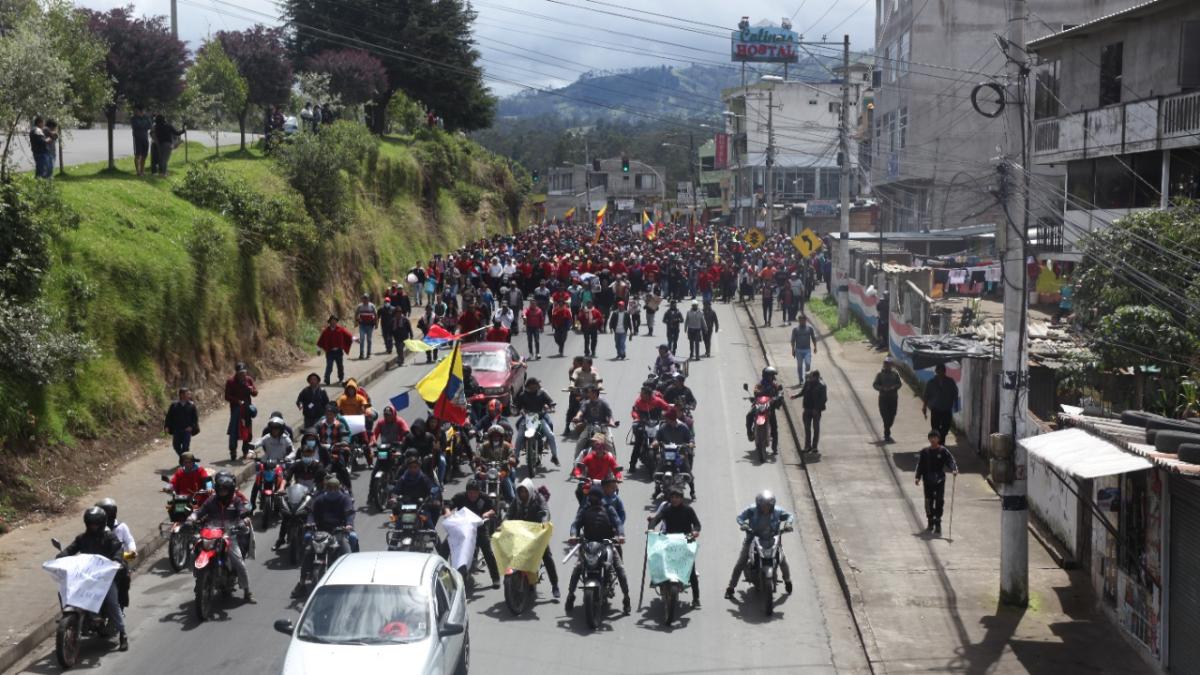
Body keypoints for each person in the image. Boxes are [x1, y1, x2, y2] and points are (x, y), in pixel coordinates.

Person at [57, 508, 128, 650]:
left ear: (101, 523)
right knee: (65, 590)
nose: (93, 527)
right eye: (90, 524)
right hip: (85, 576)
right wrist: (60, 557)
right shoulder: (82, 538)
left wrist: (116, 561)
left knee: (112, 602)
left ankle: (122, 634)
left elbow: (118, 550)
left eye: (95, 524)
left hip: (105, 578)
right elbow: (71, 549)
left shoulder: (109, 537)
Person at [188, 471, 253, 601]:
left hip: (229, 534)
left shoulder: (236, 500)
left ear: (230, 490)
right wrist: (192, 518)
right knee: (193, 552)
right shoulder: (211, 500)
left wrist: (244, 519)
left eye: (225, 489)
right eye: (220, 489)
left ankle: (247, 591)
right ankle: (199, 577)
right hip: (211, 533)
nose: (222, 491)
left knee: (239, 562)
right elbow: (201, 512)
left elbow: (242, 511)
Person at [566, 488, 629, 614]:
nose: (592, 499)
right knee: (578, 568)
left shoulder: (609, 509)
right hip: (588, 545)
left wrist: (621, 535)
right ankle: (570, 595)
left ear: (600, 499)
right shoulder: (584, 510)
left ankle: (626, 598)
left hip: (607, 544)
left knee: (620, 568)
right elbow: (575, 524)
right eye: (591, 497)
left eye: (595, 497)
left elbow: (618, 523)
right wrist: (573, 535)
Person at [725, 490, 793, 600]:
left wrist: (788, 524)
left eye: (768, 506)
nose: (766, 508)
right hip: (753, 539)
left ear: (772, 505)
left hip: (772, 540)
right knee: (741, 562)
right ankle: (731, 587)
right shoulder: (751, 510)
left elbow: (790, 515)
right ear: (758, 505)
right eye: (763, 506)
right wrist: (744, 524)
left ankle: (788, 581)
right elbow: (740, 517)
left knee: (783, 561)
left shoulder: (778, 511)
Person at [646, 486, 701, 607]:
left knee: (690, 570)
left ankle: (696, 598)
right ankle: (657, 579)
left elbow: (697, 525)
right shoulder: (666, 510)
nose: (675, 499)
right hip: (669, 540)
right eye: (673, 497)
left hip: (686, 541)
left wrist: (695, 532)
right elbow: (656, 519)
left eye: (677, 497)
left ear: (681, 499)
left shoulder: (689, 510)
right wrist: (650, 528)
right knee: (657, 556)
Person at [507, 478, 560, 599]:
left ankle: (555, 585)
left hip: (536, 532)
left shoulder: (538, 499)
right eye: (520, 492)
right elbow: (509, 514)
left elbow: (545, 511)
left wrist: (544, 523)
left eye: (525, 491)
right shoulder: (517, 501)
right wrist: (503, 524)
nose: (522, 494)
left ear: (530, 491)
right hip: (521, 532)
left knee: (546, 556)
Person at [443, 480, 500, 587]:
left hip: (479, 528)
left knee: (487, 550)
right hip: (461, 529)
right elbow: (447, 505)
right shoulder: (460, 497)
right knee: (445, 545)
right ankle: (441, 574)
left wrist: (487, 513)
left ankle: (495, 578)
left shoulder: (484, 498)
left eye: (475, 492)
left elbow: (494, 509)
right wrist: (448, 512)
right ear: (466, 492)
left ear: (479, 492)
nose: (472, 495)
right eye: (470, 492)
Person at [915, 431, 959, 534]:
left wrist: (954, 469)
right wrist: (917, 477)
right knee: (928, 501)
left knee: (939, 500)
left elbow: (950, 460)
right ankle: (930, 521)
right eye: (931, 438)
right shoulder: (925, 452)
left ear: (938, 439)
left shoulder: (943, 451)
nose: (933, 440)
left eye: (935, 438)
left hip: (939, 479)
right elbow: (920, 465)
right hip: (927, 479)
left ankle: (938, 521)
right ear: (929, 439)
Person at [96, 498, 136, 608]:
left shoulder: (121, 527)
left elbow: (130, 540)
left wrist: (131, 551)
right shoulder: (96, 529)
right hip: (100, 562)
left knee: (124, 579)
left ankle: (120, 607)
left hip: (119, 562)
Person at [512, 378, 560, 465]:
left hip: (539, 419)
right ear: (530, 385)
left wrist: (552, 407)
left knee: (550, 435)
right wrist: (516, 410)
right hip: (527, 419)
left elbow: (550, 402)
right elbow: (517, 407)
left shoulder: (542, 393)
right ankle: (515, 458)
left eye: (537, 384)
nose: (537, 385)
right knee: (519, 437)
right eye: (535, 384)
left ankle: (554, 456)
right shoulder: (522, 395)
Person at [654, 407, 696, 499]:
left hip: (679, 454)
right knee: (659, 468)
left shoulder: (683, 427)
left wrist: (691, 443)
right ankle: (657, 488)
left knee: (686, 469)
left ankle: (692, 490)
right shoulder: (664, 427)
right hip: (667, 452)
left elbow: (690, 438)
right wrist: (656, 442)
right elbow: (657, 437)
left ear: (671, 418)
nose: (665, 419)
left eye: (667, 418)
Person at [629, 384, 670, 472]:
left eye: (643, 394)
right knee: (638, 443)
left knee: (666, 440)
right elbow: (634, 411)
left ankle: (669, 463)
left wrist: (668, 415)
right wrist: (636, 417)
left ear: (648, 394)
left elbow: (667, 407)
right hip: (643, 424)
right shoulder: (638, 402)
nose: (641, 395)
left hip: (656, 423)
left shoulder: (657, 401)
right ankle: (632, 464)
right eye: (641, 394)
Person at [224, 362, 258, 461]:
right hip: (236, 411)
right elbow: (227, 396)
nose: (242, 375)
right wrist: (237, 401)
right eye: (240, 373)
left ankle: (245, 451)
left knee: (248, 431)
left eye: (244, 372)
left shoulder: (248, 380)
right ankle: (233, 451)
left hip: (247, 410)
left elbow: (255, 393)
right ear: (237, 373)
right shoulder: (231, 382)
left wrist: (251, 390)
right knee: (234, 431)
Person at [746, 367, 783, 453]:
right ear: (766, 376)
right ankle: (750, 433)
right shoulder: (760, 384)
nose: (773, 377)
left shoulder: (775, 385)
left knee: (774, 427)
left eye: (773, 376)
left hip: (769, 407)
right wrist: (756, 395)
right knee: (749, 415)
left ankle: (774, 447)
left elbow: (780, 392)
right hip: (759, 405)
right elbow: (755, 391)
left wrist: (779, 396)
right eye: (771, 375)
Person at [572, 385, 615, 460]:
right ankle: (576, 463)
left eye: (589, 393)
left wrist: (611, 422)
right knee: (580, 443)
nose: (587, 394)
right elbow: (581, 411)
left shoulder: (603, 403)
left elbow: (609, 414)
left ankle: (614, 465)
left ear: (595, 393)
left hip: (602, 428)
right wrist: (577, 417)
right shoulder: (586, 403)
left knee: (609, 445)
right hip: (589, 427)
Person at [475, 425, 516, 501]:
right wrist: (477, 457)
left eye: (498, 435)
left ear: (501, 436)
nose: (496, 437)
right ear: (490, 436)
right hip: (487, 472)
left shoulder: (507, 446)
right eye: (493, 435)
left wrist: (511, 459)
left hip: (502, 473)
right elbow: (478, 453)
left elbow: (512, 454)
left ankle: (513, 504)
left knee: (511, 494)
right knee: (475, 485)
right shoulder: (484, 445)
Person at [922, 363, 959, 445]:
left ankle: (941, 442)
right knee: (935, 428)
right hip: (936, 409)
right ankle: (939, 445)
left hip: (946, 409)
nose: (941, 373)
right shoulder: (931, 383)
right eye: (939, 371)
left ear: (945, 372)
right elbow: (926, 395)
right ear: (936, 371)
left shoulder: (950, 382)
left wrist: (956, 405)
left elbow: (955, 393)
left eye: (942, 371)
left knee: (946, 428)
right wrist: (924, 407)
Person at [791, 370, 827, 453]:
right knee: (807, 429)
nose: (808, 378)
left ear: (816, 377)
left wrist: (816, 409)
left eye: (811, 377)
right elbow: (803, 392)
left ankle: (814, 447)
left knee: (816, 428)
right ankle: (807, 446)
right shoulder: (808, 383)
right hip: (807, 409)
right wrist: (795, 396)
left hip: (816, 411)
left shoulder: (822, 386)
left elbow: (824, 399)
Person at [872, 357, 903, 442]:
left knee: (892, 415)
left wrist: (894, 387)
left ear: (891, 365)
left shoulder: (895, 374)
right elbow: (875, 384)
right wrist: (882, 388)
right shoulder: (880, 374)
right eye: (885, 364)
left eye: (888, 364)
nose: (887, 365)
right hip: (883, 398)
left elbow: (900, 384)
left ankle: (887, 427)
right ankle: (887, 433)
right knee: (885, 416)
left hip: (893, 398)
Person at [317, 315, 354, 385]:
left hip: (339, 352)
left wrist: (355, 339)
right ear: (330, 322)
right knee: (329, 366)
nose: (334, 322)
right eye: (332, 321)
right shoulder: (326, 331)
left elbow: (349, 336)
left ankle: (341, 378)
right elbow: (320, 341)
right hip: (330, 352)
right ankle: (326, 379)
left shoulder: (341, 330)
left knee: (340, 366)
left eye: (335, 321)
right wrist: (318, 350)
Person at [164, 387, 199, 457]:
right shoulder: (174, 405)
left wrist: (192, 427)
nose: (189, 395)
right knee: (176, 445)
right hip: (177, 429)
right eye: (187, 394)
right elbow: (169, 417)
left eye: (189, 394)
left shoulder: (191, 405)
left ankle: (184, 461)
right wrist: (167, 426)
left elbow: (195, 418)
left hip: (187, 429)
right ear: (181, 395)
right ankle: (183, 458)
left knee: (185, 447)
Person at [790, 315, 818, 383]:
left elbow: (813, 338)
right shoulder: (795, 329)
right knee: (799, 365)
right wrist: (793, 349)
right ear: (799, 321)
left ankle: (807, 379)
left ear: (806, 321)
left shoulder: (810, 328)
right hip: (798, 350)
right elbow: (793, 340)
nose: (802, 322)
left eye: (803, 320)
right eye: (800, 321)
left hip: (807, 350)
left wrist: (815, 347)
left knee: (808, 364)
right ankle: (800, 379)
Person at [130, 106, 153, 176]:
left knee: (144, 156)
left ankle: (142, 171)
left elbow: (150, 125)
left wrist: (143, 124)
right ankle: (138, 171)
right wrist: (144, 125)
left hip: (145, 138)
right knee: (138, 155)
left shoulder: (146, 118)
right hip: (137, 138)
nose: (144, 112)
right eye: (143, 111)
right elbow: (137, 125)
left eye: (144, 111)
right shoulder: (134, 118)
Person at [355, 293, 378, 359]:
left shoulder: (372, 306)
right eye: (363, 298)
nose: (365, 300)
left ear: (368, 299)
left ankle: (368, 353)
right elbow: (356, 314)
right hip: (362, 325)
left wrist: (376, 324)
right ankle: (361, 354)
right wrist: (356, 321)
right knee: (362, 339)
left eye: (366, 298)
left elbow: (376, 315)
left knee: (369, 340)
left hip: (370, 326)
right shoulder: (360, 306)